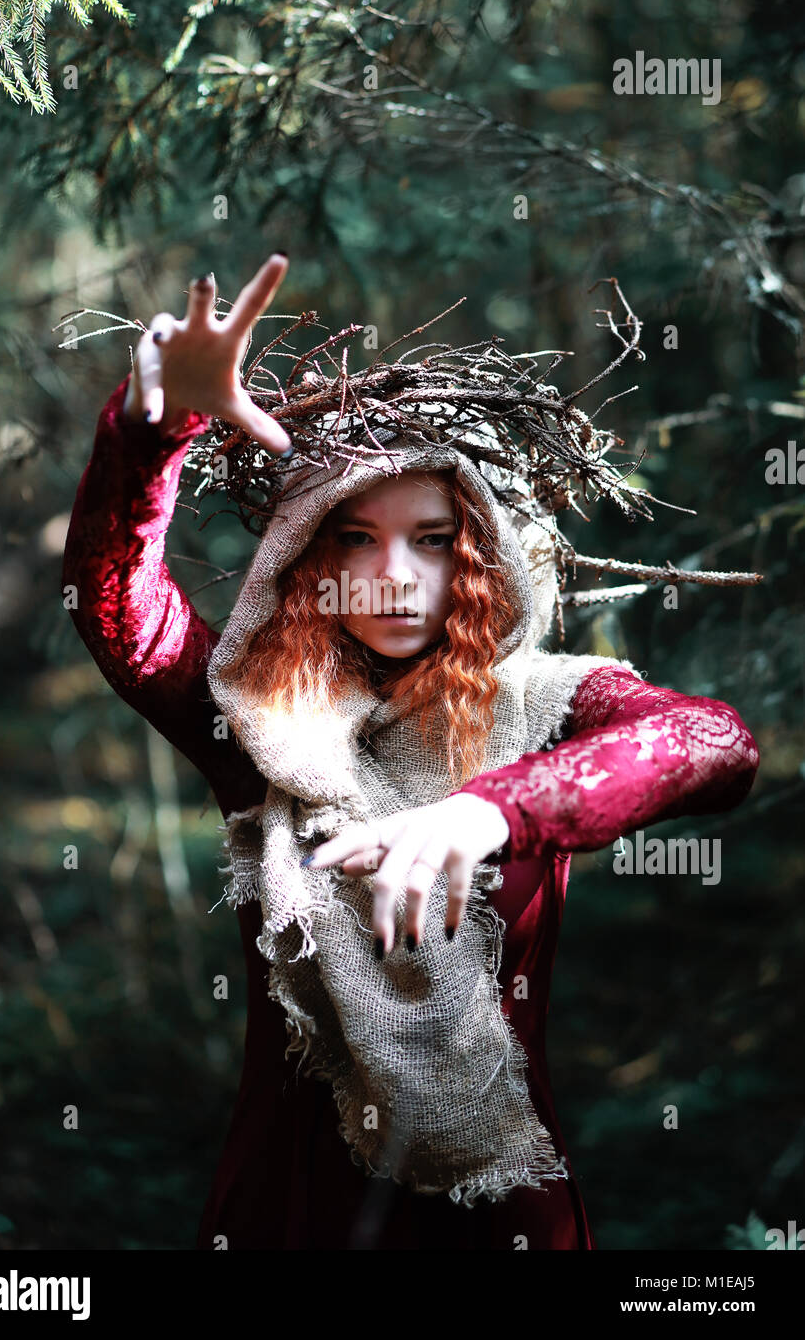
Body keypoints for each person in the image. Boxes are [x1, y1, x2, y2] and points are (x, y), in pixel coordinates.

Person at [62, 255, 760, 1250]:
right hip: (286, 1206)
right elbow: (116, 607)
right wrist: (157, 427)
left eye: (430, 539)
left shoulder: (550, 708)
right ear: (308, 554)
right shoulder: (259, 722)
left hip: (502, 1211)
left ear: (474, 554)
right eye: (354, 538)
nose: (392, 575)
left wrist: (488, 810)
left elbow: (714, 743)